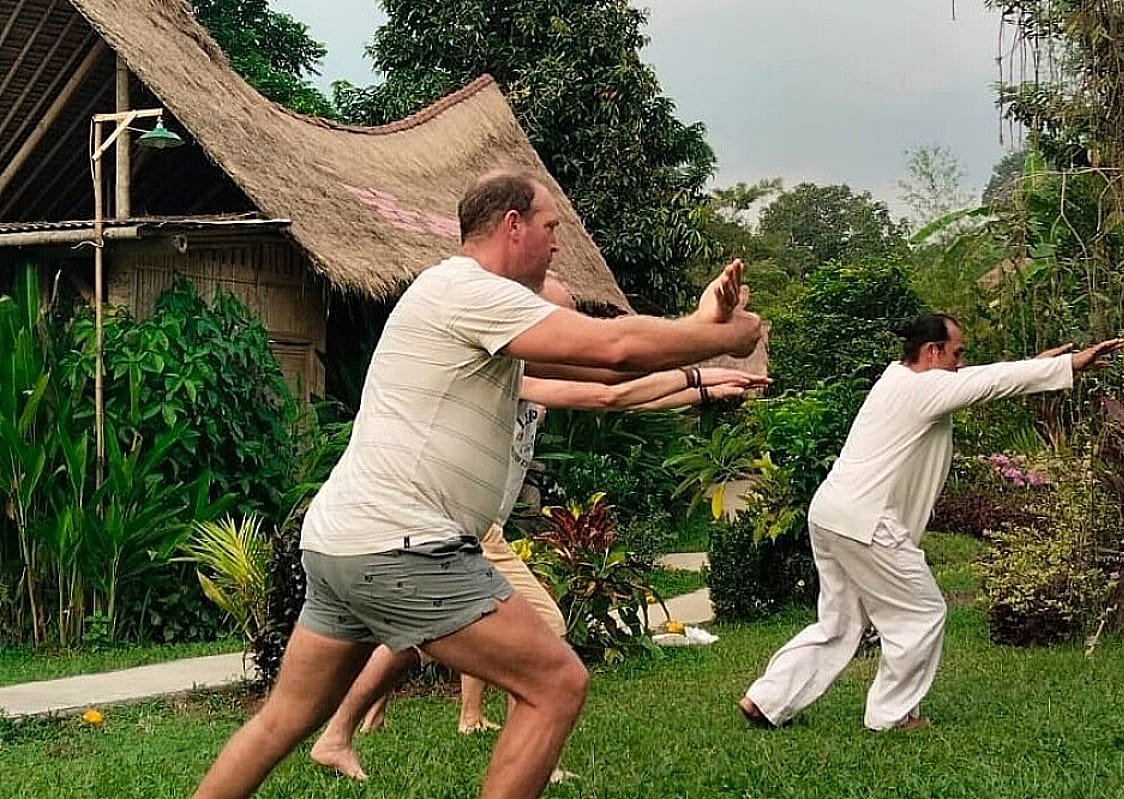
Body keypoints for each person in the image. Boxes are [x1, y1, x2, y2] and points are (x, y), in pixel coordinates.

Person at [189, 168, 762, 799]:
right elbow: (615, 349)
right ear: (512, 225)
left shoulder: (464, 304)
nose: (556, 244)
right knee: (556, 684)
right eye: (549, 228)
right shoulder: (468, 289)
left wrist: (698, 325)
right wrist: (721, 339)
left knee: (280, 721)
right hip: (398, 541)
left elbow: (603, 374)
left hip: (345, 540)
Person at [310, 275, 769, 782]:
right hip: (458, 529)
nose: (568, 330)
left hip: (480, 530)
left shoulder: (526, 371)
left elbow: (624, 393)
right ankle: (527, 757)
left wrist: (706, 384)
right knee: (543, 631)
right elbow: (607, 393)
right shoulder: (508, 368)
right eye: (558, 318)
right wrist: (701, 369)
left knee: (415, 640)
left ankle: (341, 732)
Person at [737, 313, 1122, 732]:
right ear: (932, 351)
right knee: (922, 612)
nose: (960, 361)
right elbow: (986, 383)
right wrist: (1067, 366)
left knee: (840, 623)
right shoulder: (923, 390)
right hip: (866, 522)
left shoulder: (898, 380)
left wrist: (1037, 365)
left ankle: (766, 700)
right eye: (956, 353)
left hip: (831, 515)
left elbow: (978, 380)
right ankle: (893, 716)